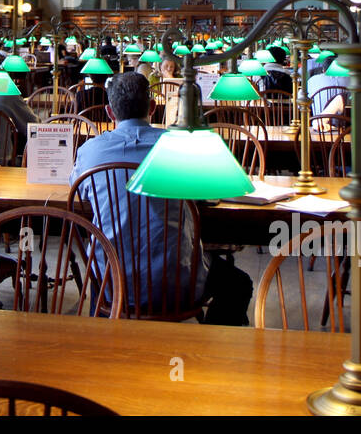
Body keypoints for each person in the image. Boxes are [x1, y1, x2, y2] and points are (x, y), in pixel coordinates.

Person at [70, 72, 252, 325]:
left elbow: (80, 193)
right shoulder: (179, 147)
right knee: (238, 284)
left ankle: (102, 336)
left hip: (112, 280)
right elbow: (207, 195)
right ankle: (210, 349)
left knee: (102, 271)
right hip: (175, 284)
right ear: (154, 108)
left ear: (110, 113)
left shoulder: (89, 152)